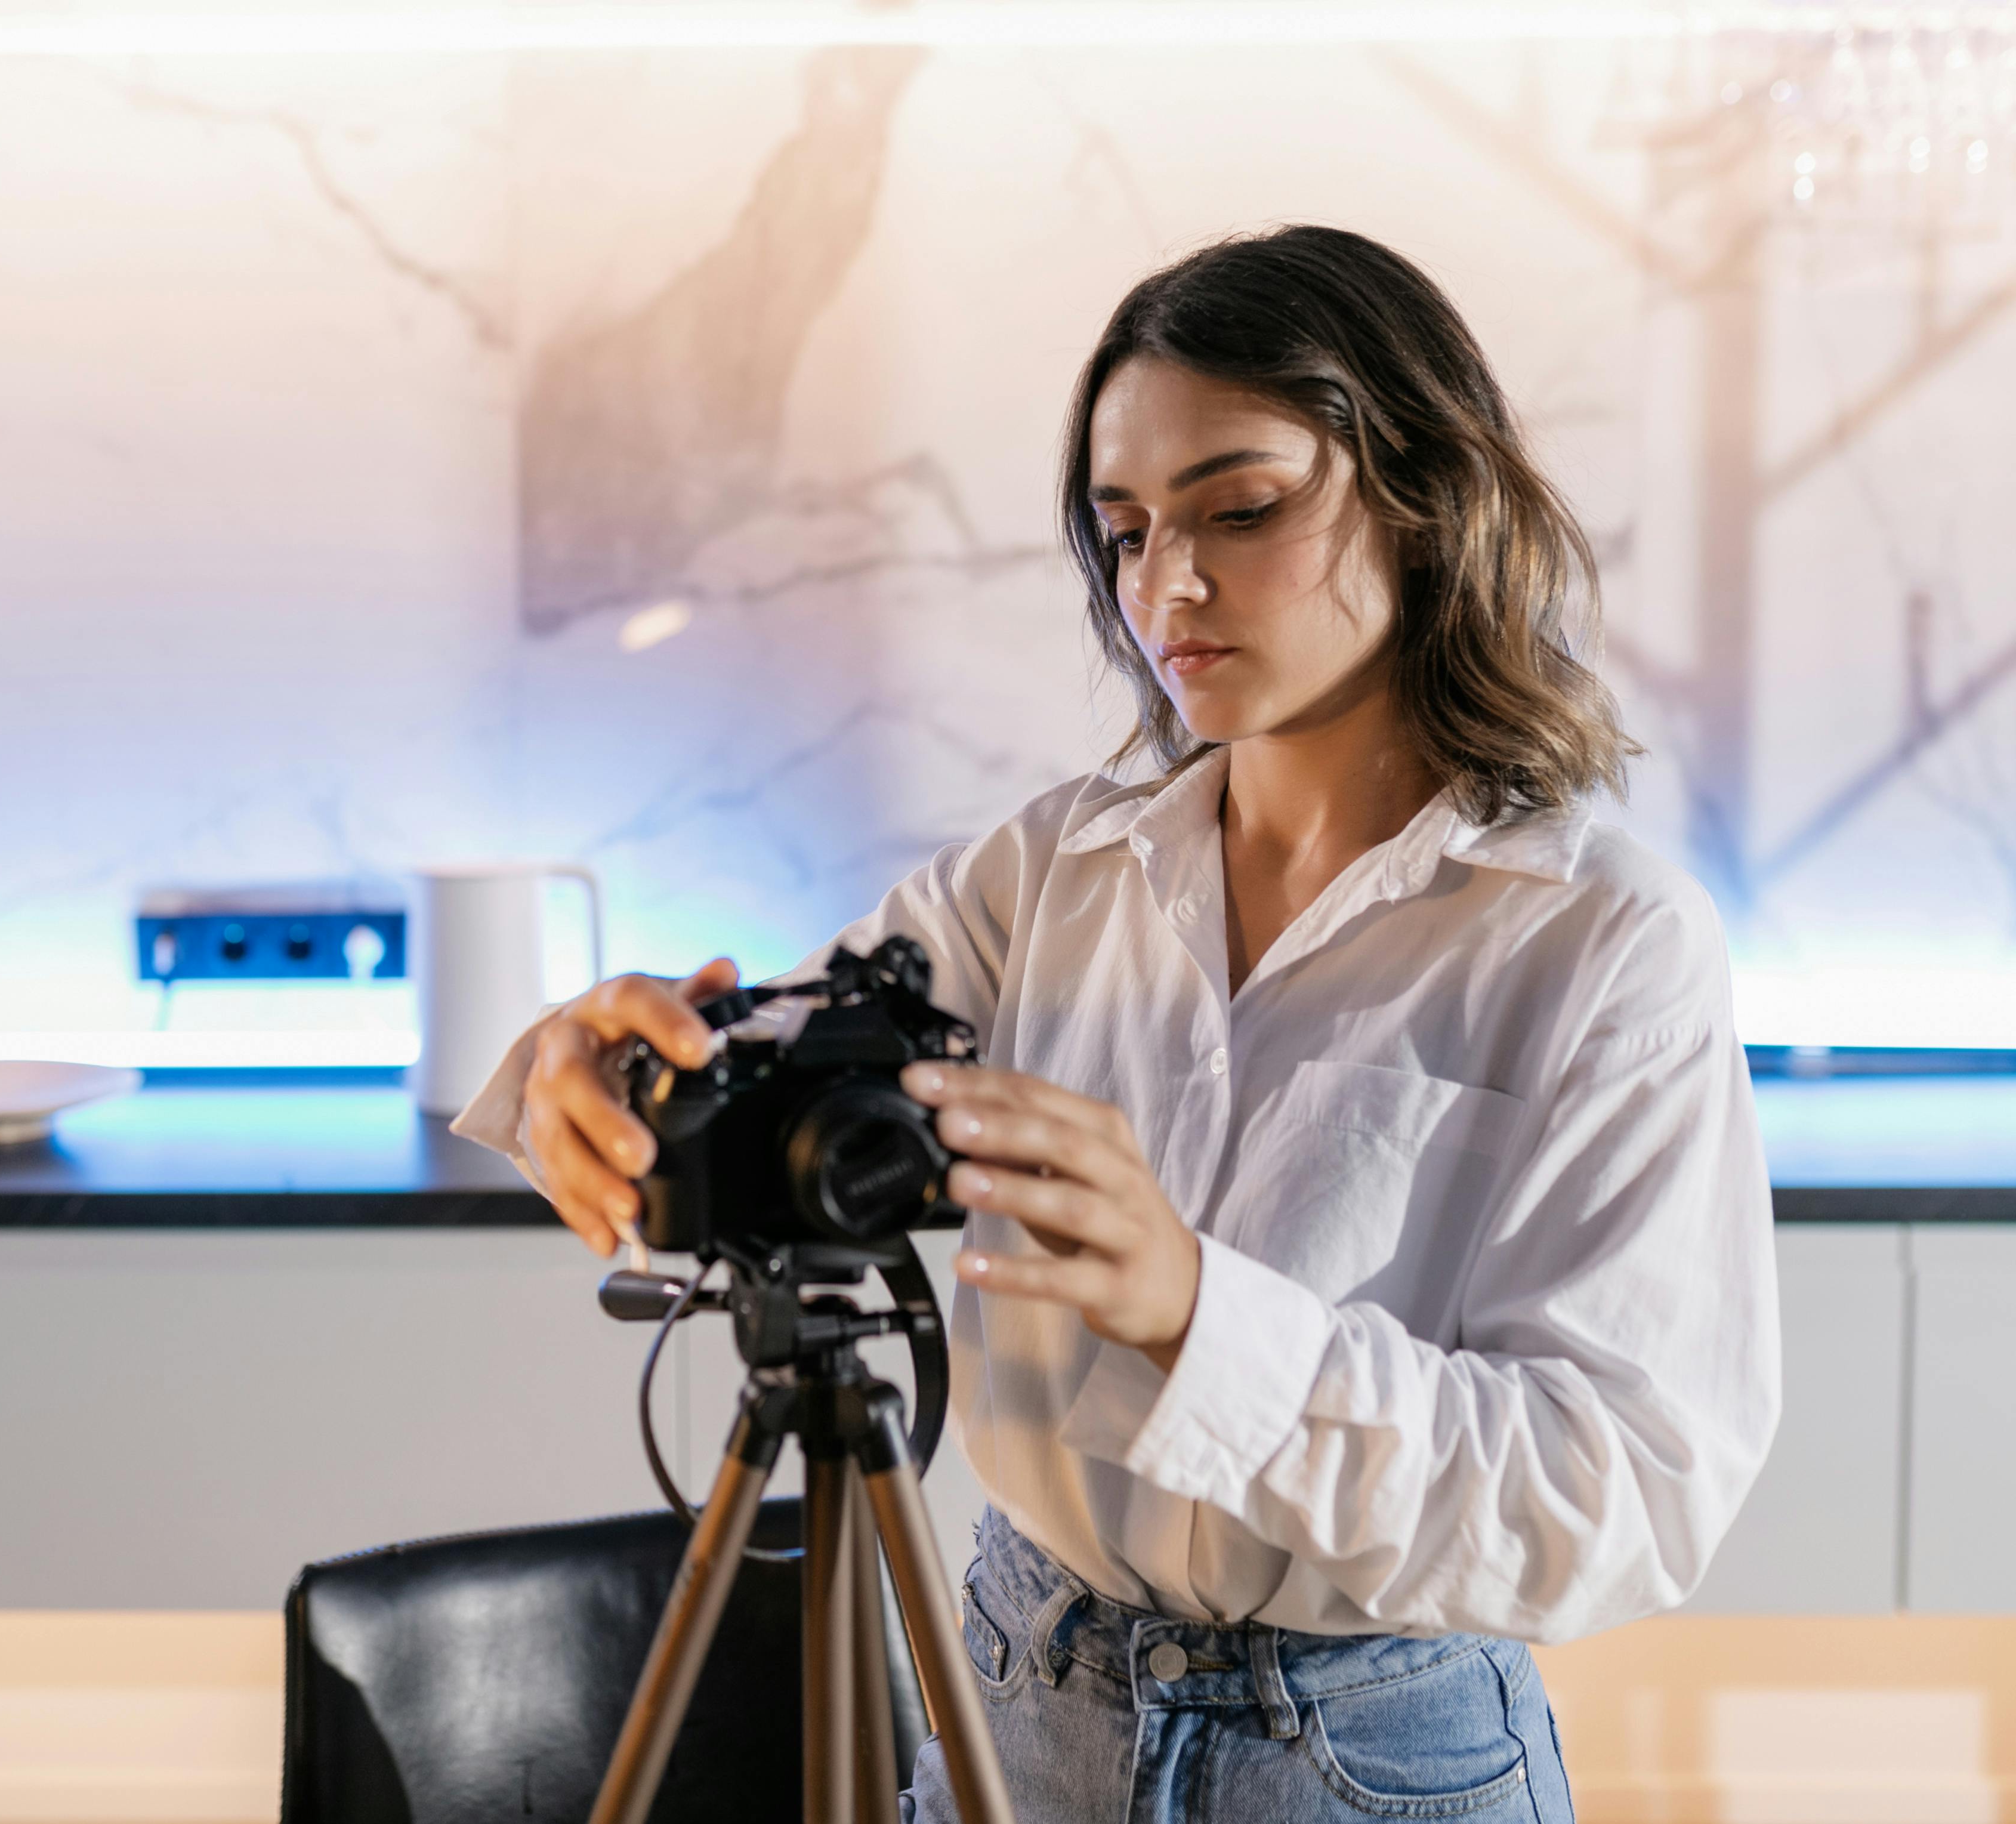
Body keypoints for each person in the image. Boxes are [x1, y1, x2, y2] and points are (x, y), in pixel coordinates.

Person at [455, 225, 1781, 1824]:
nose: (1169, 583)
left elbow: (1616, 1498)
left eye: (1241, 507)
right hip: (1022, 1697)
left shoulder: (1599, 940)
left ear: (1428, 498)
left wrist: (1195, 1311)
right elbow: (786, 1083)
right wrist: (586, 1074)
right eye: (1126, 529)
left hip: (1368, 1759)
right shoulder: (1048, 873)